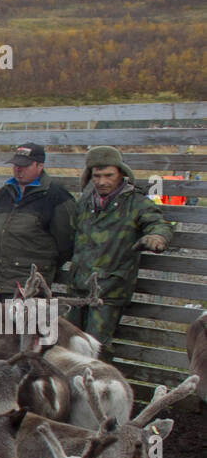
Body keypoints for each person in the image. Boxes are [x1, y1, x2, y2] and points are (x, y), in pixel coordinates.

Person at [67, 145, 173, 348]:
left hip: (109, 291)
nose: (102, 182)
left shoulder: (135, 203)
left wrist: (157, 237)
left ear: (121, 174)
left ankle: (101, 380)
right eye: (97, 176)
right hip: (78, 288)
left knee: (96, 347)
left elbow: (158, 224)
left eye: (108, 175)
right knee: (70, 344)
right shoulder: (86, 203)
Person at [0, 143, 77, 298]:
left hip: (31, 289)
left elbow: (66, 244)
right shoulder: (2, 195)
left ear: (40, 166)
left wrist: (44, 269)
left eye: (25, 165)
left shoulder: (57, 198)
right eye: (16, 165)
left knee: (29, 323)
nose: (18, 170)